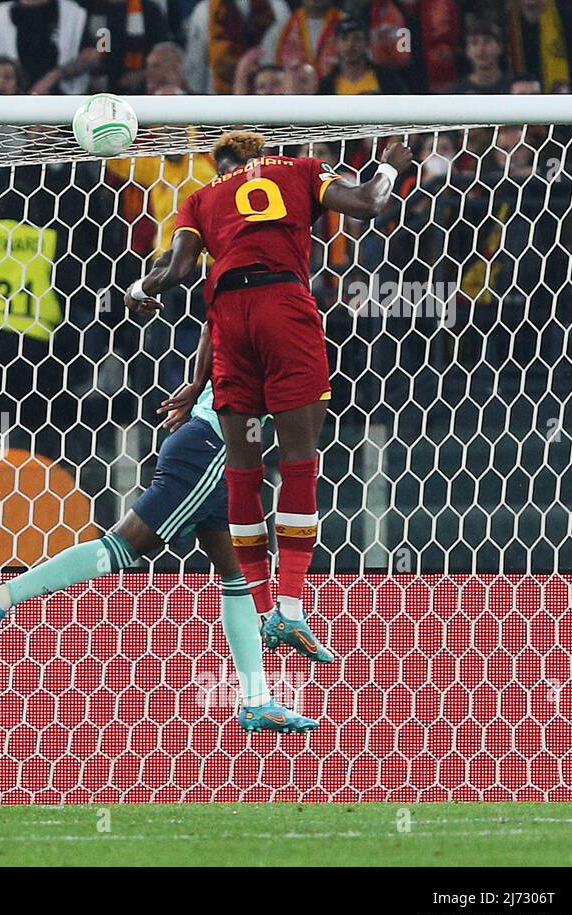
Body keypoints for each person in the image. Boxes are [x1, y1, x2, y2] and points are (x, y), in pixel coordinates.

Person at [124, 131, 415, 660]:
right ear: (263, 152)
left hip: (229, 317)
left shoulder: (200, 197)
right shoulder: (298, 169)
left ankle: (263, 611)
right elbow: (370, 203)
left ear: (218, 163)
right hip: (284, 302)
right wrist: (391, 167)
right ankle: (292, 608)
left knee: (243, 470)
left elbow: (180, 270)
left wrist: (141, 290)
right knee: (299, 461)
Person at [0, 327, 318, 733]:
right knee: (120, 549)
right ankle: (3, 595)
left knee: (237, 574)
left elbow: (214, 327)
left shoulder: (251, 308)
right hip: (210, 454)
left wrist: (196, 385)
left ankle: (257, 701)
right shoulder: (276, 318)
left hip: (221, 453)